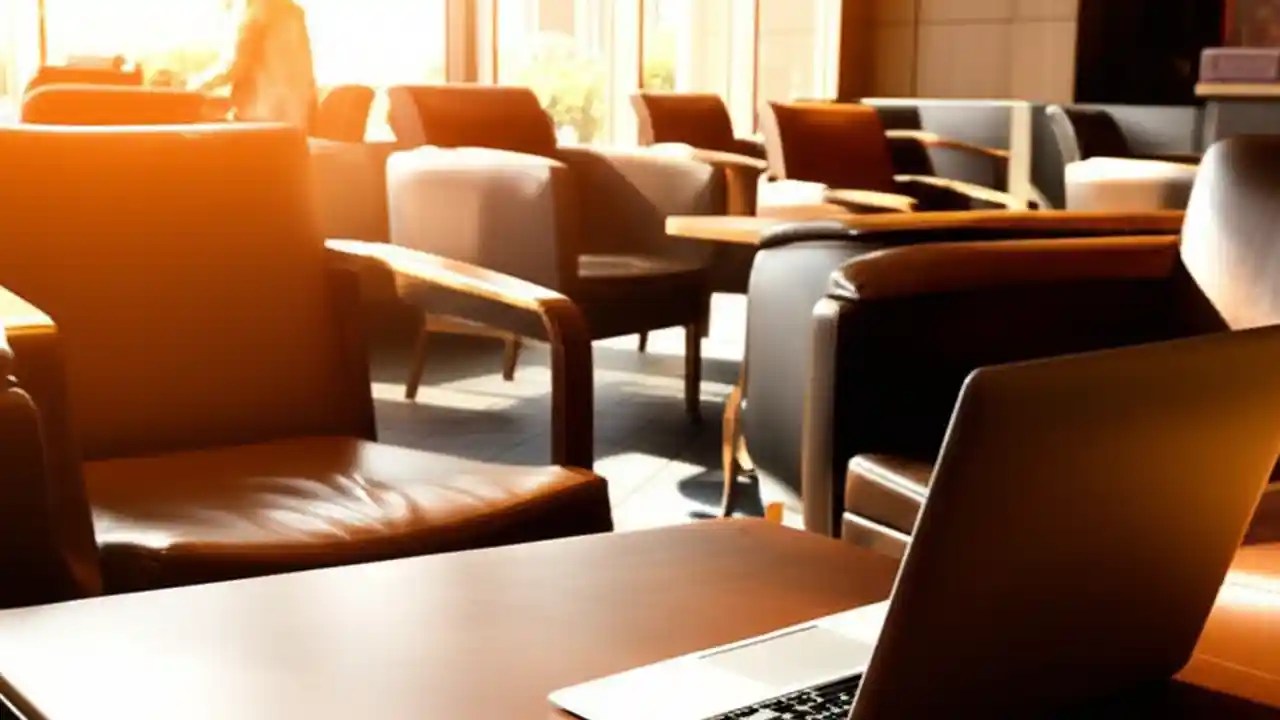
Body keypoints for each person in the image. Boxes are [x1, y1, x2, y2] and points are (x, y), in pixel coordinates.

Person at [195, 0, 317, 130]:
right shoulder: (294, 13)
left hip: (259, 122)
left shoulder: (257, 12)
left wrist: (195, 85)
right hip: (293, 126)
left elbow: (235, 66)